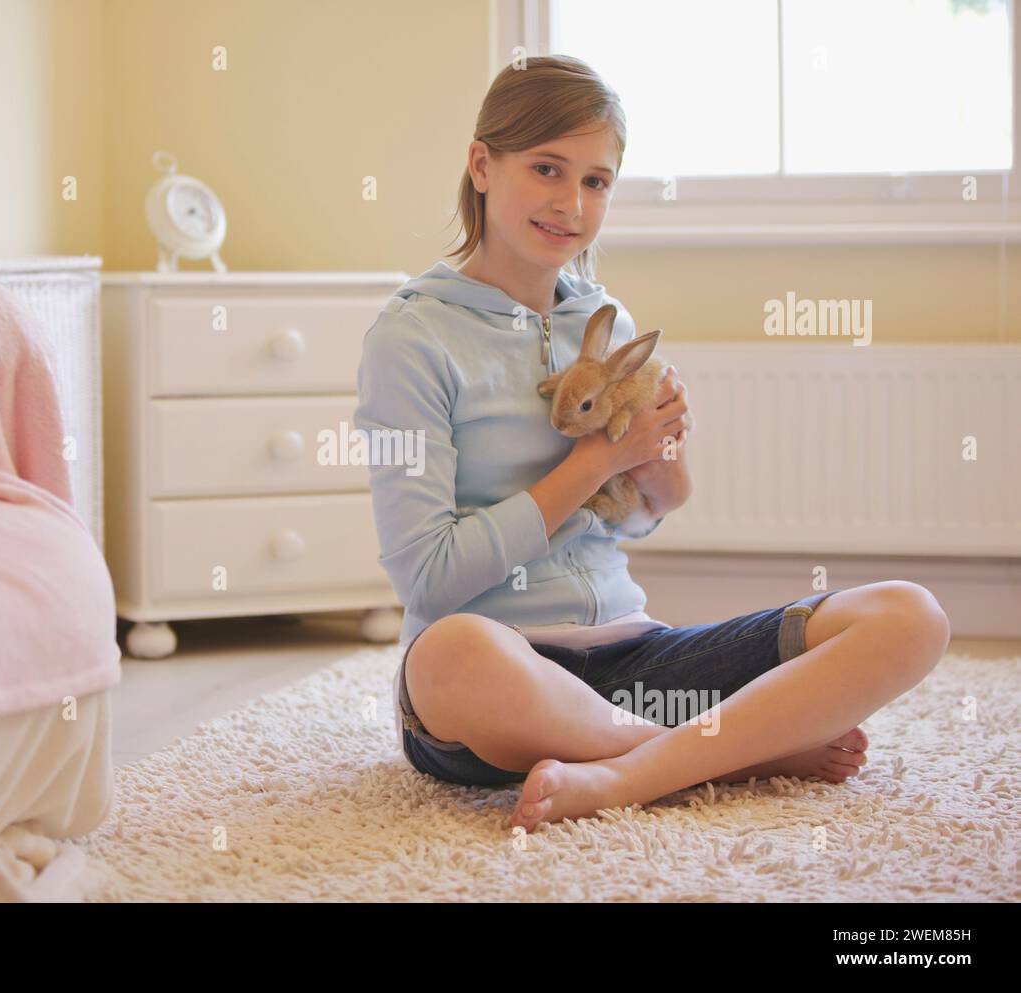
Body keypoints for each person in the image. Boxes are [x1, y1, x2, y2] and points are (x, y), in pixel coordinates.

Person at [352, 54, 950, 833]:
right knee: (447, 653)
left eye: (596, 181)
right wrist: (596, 459)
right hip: (500, 679)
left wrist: (656, 450)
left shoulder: (605, 319)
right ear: (482, 166)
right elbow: (430, 579)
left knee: (911, 615)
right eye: (546, 168)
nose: (571, 203)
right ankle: (732, 750)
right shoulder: (412, 335)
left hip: (637, 660)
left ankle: (632, 764)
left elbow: (641, 517)